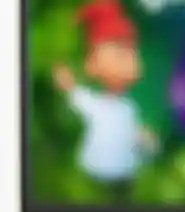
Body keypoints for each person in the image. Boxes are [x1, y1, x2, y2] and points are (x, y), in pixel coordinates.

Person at [55, 0, 155, 197]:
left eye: (131, 54)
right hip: (96, 169)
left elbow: (133, 133)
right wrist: (67, 83)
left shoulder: (129, 107)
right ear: (92, 63)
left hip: (125, 172)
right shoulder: (97, 105)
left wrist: (145, 140)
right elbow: (77, 96)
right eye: (120, 54)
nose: (131, 63)